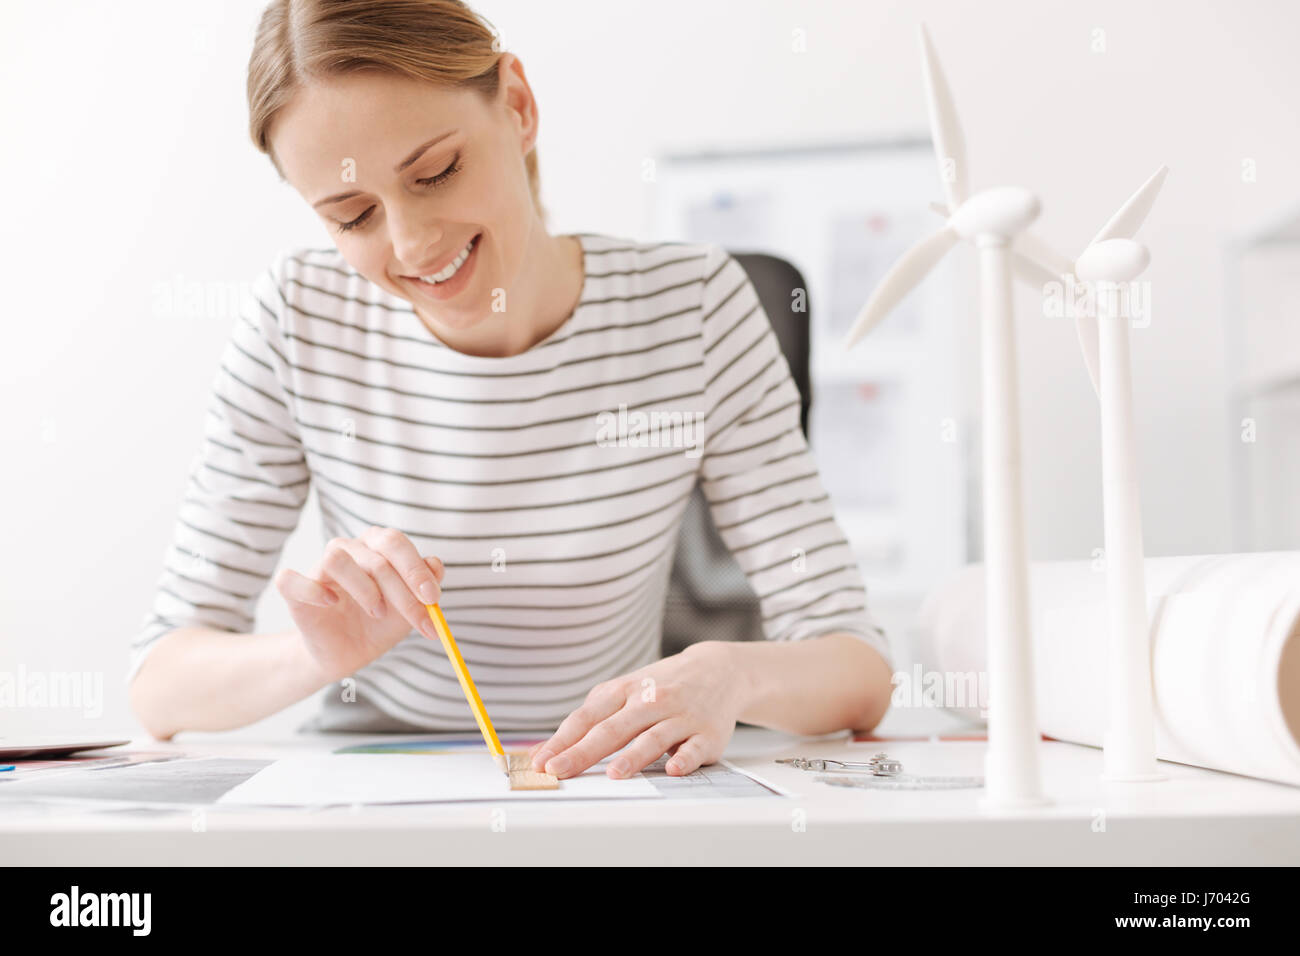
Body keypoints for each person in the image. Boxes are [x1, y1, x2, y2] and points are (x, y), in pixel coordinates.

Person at [129, 0, 894, 780]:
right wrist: (315, 655)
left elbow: (858, 668)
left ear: (519, 106)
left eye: (436, 172)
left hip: (608, 783)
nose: (412, 245)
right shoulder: (300, 318)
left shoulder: (694, 308)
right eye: (353, 217)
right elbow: (159, 684)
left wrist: (731, 675)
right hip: (375, 788)